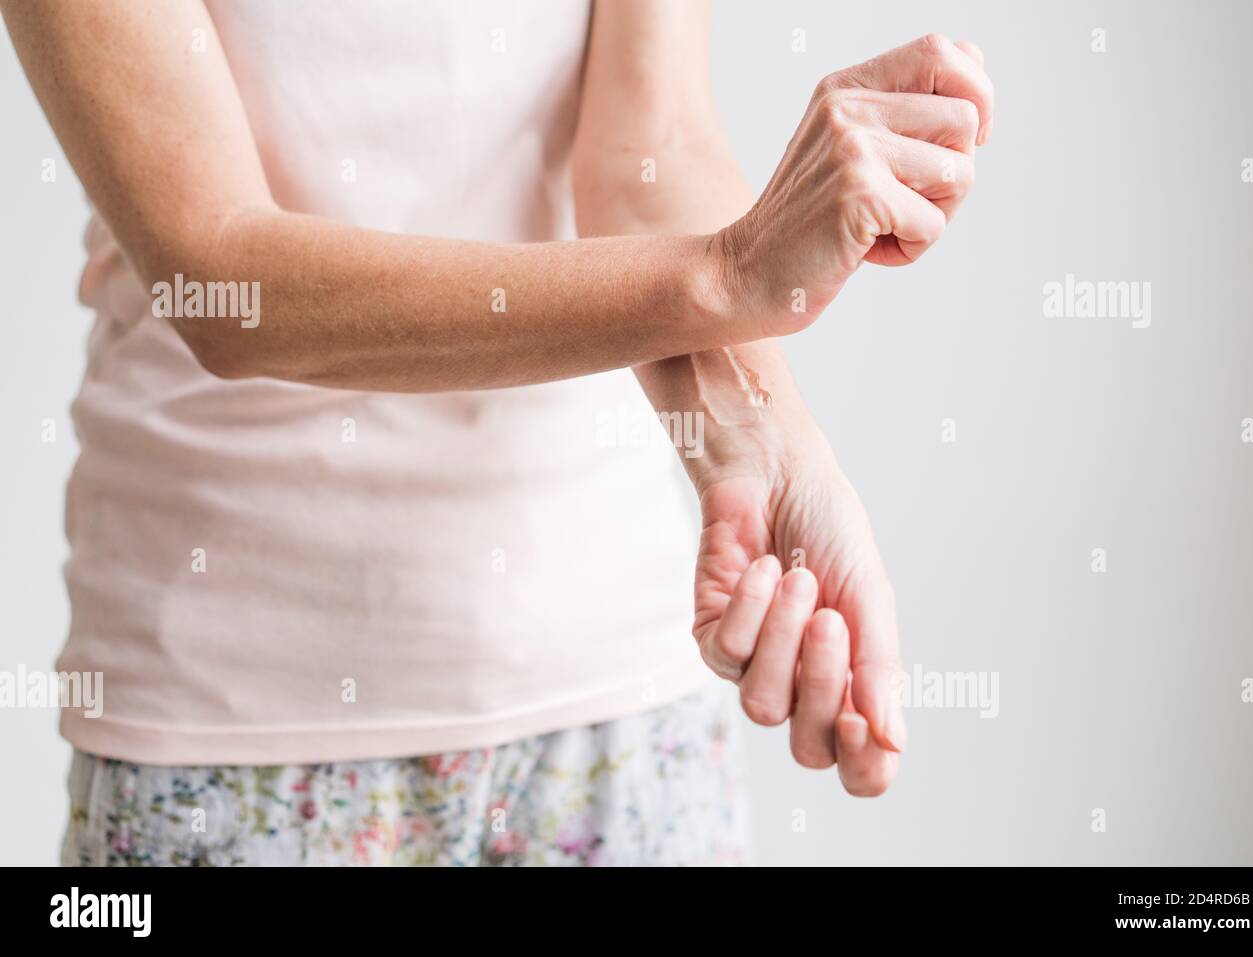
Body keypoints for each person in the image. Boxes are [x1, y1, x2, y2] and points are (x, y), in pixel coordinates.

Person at [3, 0, 993, 865]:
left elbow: (649, 143)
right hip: (230, 722)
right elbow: (221, 275)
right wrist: (728, 272)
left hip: (621, 695)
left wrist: (767, 451)